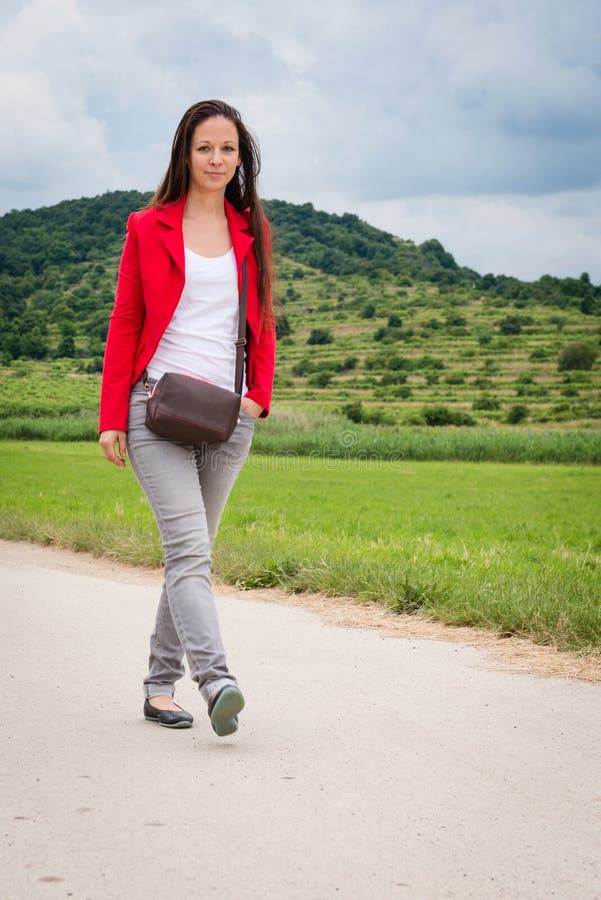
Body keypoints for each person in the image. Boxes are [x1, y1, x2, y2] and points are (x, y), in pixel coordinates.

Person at [98, 99, 276, 737]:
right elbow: (125, 322)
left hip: (228, 417)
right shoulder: (148, 227)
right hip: (155, 408)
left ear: (240, 158)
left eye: (228, 149)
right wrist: (112, 414)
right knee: (189, 551)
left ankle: (156, 687)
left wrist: (260, 394)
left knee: (190, 556)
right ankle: (216, 680)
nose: (217, 159)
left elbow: (262, 321)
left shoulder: (249, 230)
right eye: (205, 148)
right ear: (185, 153)